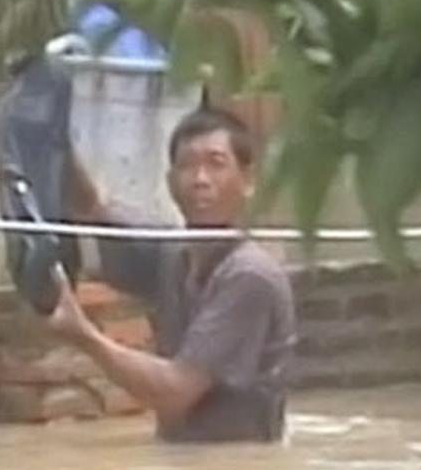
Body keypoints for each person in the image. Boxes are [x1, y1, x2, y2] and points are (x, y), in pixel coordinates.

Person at [47, 108, 297, 443]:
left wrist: (85, 337)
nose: (200, 179)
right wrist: (51, 144)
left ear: (248, 181)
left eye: (216, 164)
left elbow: (175, 392)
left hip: (230, 467)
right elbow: (92, 213)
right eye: (188, 166)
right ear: (170, 182)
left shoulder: (249, 277)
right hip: (183, 460)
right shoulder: (172, 255)